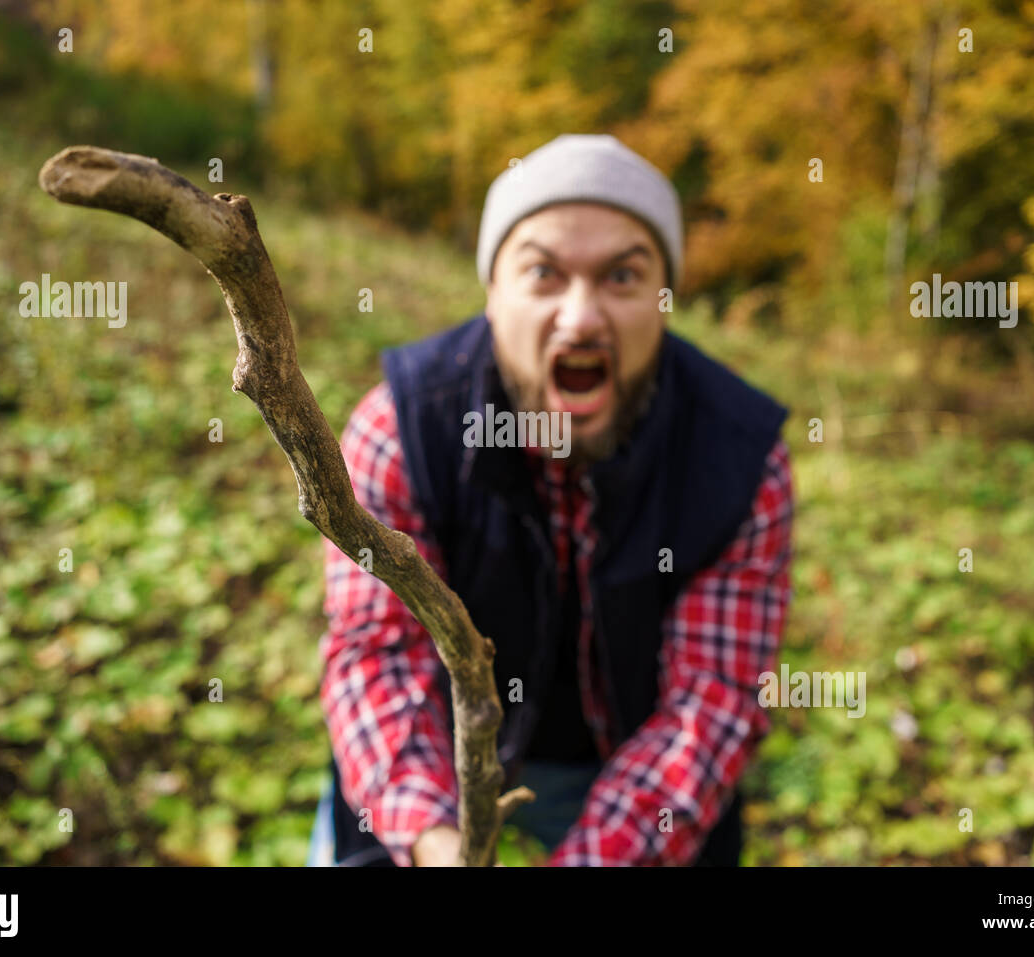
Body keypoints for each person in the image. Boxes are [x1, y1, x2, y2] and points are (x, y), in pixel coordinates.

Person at [308, 134, 793, 867]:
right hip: (444, 749)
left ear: (666, 297)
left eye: (623, 276)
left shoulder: (739, 460)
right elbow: (378, 654)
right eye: (542, 272)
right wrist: (435, 841)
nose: (580, 318)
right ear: (492, 292)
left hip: (628, 764)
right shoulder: (403, 431)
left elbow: (712, 699)